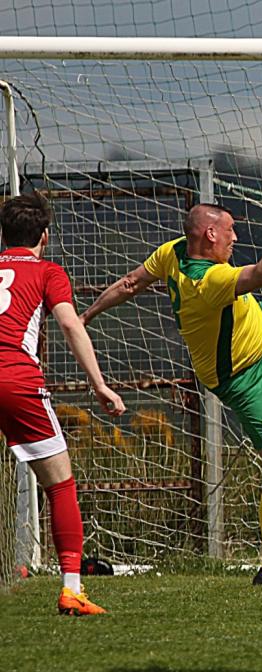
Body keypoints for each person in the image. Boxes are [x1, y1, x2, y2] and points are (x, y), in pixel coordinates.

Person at [82, 190, 262, 586]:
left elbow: (130, 283)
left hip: (260, 324)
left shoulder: (172, 252)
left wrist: (86, 315)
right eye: (230, 231)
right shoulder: (207, 280)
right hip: (244, 374)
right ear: (210, 234)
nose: (235, 238)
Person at [0, 192, 126, 615]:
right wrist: (100, 385)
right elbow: (71, 325)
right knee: (60, 484)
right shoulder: (47, 271)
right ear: (45, 236)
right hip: (16, 379)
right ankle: (71, 588)